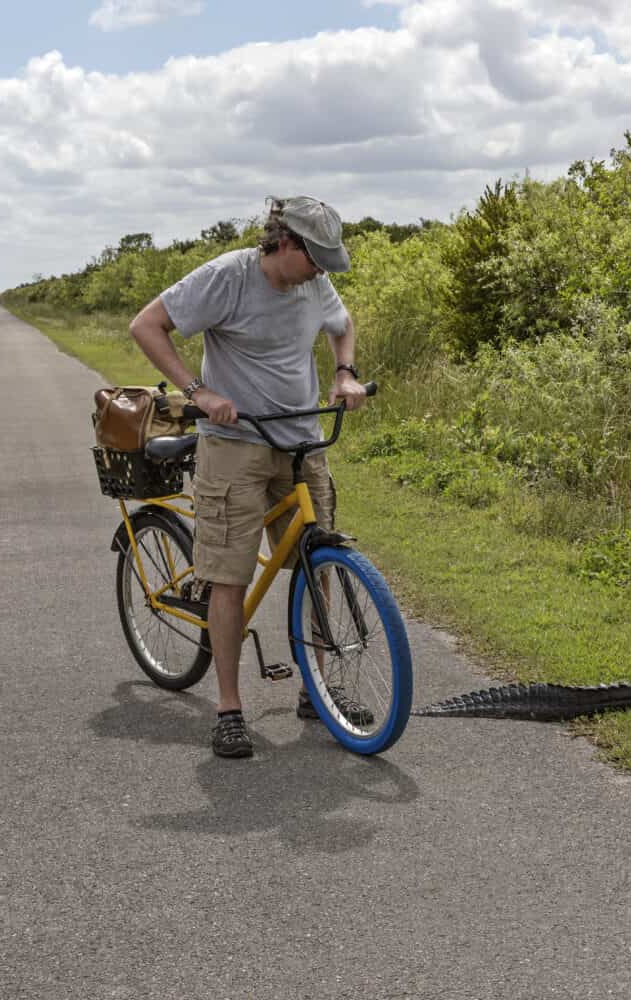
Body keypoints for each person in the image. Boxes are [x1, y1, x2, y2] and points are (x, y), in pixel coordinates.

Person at [128, 196, 370, 759]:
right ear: (284, 243)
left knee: (317, 562)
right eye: (315, 258)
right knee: (230, 576)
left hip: (301, 439)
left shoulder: (315, 282)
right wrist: (199, 391)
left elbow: (342, 325)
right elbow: (148, 325)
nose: (321, 271)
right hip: (235, 446)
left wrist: (345, 372)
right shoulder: (228, 278)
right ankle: (230, 708)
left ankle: (316, 689)